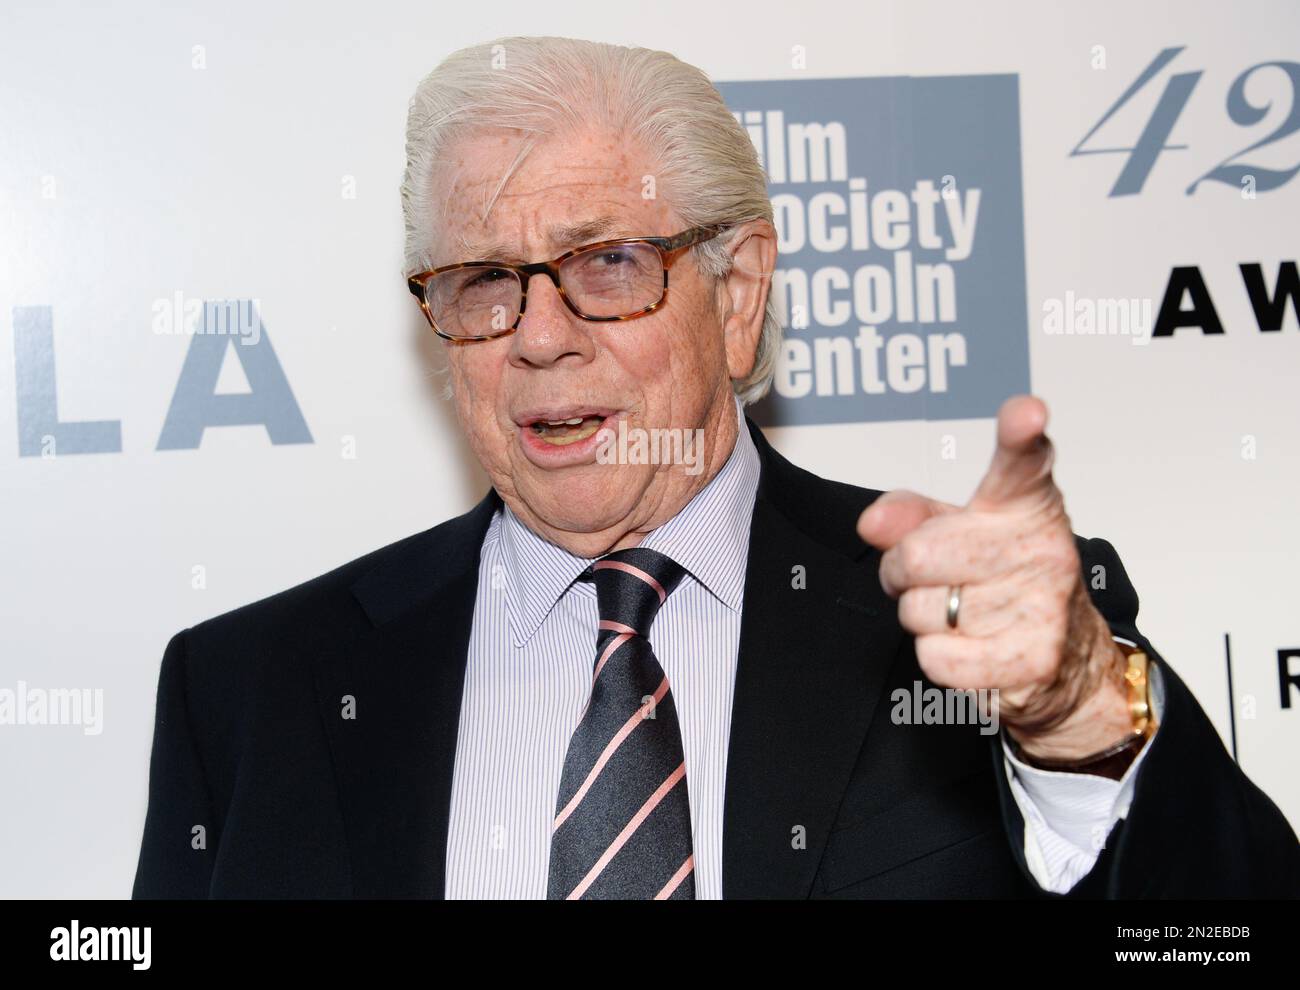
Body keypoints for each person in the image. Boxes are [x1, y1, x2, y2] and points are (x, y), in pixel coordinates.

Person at [133, 35, 1298, 899]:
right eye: (483, 280)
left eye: (606, 263)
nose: (539, 335)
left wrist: (1085, 713)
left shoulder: (972, 627)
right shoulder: (250, 691)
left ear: (735, 295)